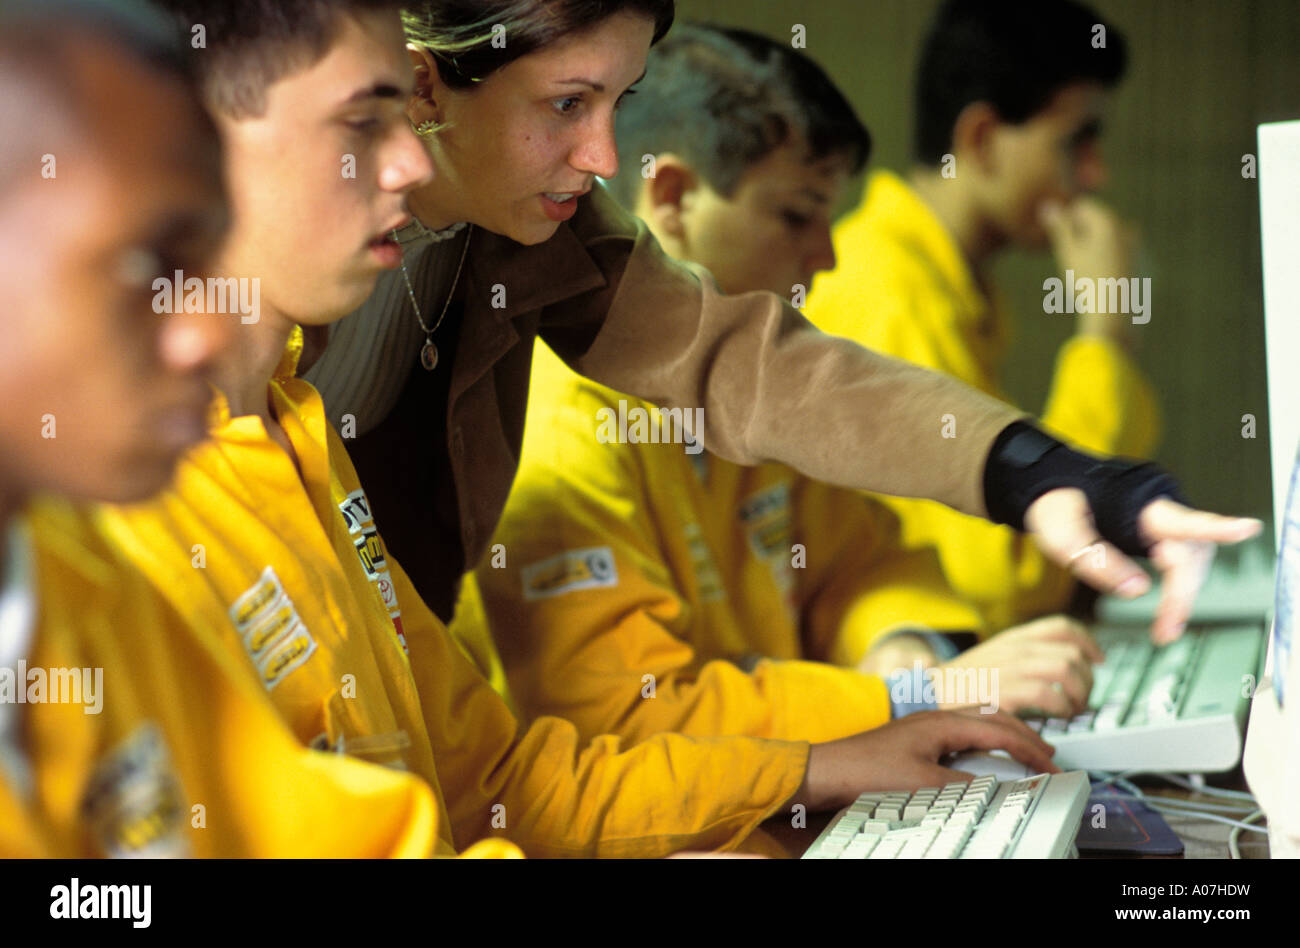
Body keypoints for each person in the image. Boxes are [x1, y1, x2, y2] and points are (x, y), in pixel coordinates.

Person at [90, 0, 1058, 858]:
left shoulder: (300, 427)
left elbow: (497, 788)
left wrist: (806, 768)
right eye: (363, 119)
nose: (409, 158)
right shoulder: (112, 520)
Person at [300, 0, 1255, 653]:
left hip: (389, 687)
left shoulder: (532, 226)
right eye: (566, 105)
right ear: (426, 88)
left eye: (616, 104)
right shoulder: (267, 239)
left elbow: (746, 366)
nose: (604, 156)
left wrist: (1041, 473)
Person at [454, 24, 1104, 748]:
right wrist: (904, 697)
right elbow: (629, 721)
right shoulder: (560, 425)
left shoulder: (758, 386)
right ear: (672, 197)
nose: (827, 256)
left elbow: (861, 561)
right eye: (796, 215)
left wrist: (901, 648)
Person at [0, 0, 455, 858]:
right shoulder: (124, 536)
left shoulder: (80, 588)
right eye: (150, 265)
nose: (203, 325)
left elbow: (370, 826)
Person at [806, 0, 1163, 674]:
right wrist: (1106, 334)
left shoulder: (946, 282)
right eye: (1073, 141)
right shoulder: (892, 293)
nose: (1094, 175)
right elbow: (1003, 592)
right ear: (981, 139)